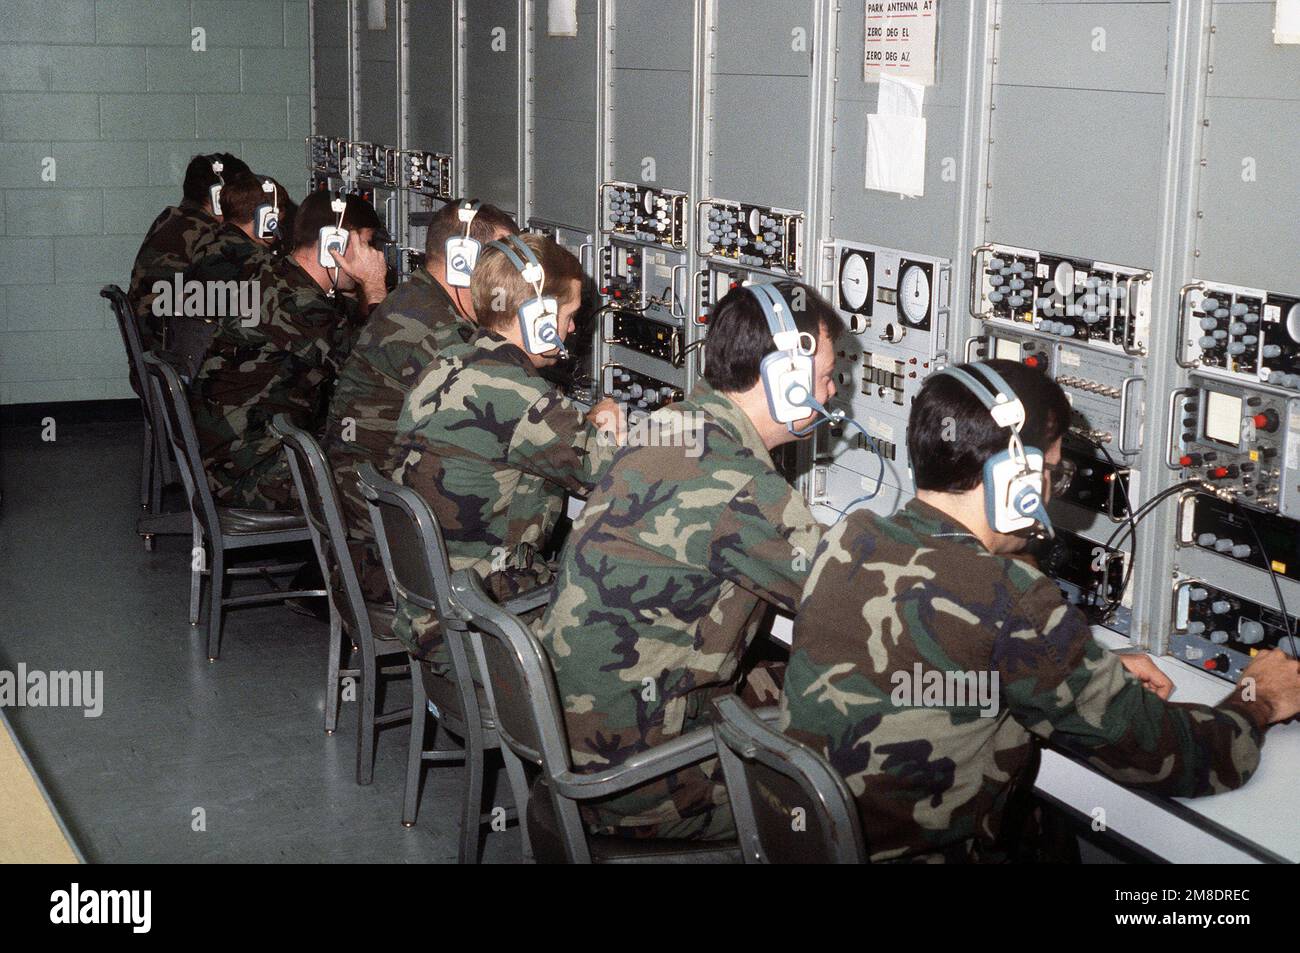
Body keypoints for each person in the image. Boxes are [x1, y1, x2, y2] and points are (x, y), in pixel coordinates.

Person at [781, 359, 1300, 863]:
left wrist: (1066, 668)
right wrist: (1259, 699)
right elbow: (1180, 759)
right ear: (1017, 479)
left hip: (811, 839)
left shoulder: (854, 533)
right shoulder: (1011, 595)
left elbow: (926, 665)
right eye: (1051, 471)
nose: (1051, 489)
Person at [533, 280, 843, 841]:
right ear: (786, 380)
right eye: (824, 376)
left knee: (796, 680)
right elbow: (856, 603)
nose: (833, 390)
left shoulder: (670, 424)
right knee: (869, 757)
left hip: (575, 734)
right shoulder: (741, 487)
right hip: (642, 782)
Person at [390, 234, 621, 685]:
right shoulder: (523, 396)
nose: (573, 330)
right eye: (570, 316)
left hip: (432, 608)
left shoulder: (446, 362)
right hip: (487, 622)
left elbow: (536, 435)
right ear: (537, 317)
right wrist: (610, 426)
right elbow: (613, 476)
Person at [323, 200, 519, 602]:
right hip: (390, 556)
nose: (511, 279)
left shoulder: (414, 300)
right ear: (463, 261)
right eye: (503, 263)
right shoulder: (437, 332)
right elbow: (509, 417)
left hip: (366, 529)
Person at [189, 191, 388, 510]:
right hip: (249, 472)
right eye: (368, 244)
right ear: (333, 244)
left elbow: (342, 326)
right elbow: (376, 366)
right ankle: (355, 560)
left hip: (237, 452)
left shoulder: (279, 277)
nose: (376, 258)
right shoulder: (295, 303)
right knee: (387, 471)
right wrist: (375, 287)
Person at [170, 173, 295, 377]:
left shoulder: (208, 244)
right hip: (220, 379)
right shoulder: (257, 262)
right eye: (277, 222)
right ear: (266, 218)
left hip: (193, 366)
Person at [127, 152, 250, 350]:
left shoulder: (170, 219)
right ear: (218, 197)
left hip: (158, 356)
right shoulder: (210, 234)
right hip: (181, 356)